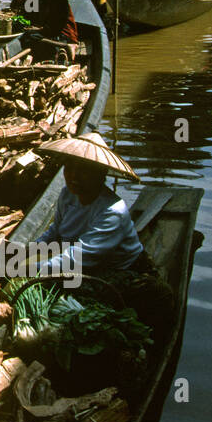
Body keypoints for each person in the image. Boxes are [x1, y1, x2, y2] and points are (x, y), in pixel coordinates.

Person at [32, 132, 174, 337]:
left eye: (84, 170)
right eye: (70, 167)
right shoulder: (67, 195)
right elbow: (55, 232)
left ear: (101, 175)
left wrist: (29, 271)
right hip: (83, 261)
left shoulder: (112, 211)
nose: (73, 176)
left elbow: (77, 258)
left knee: (78, 296)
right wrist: (26, 251)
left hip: (119, 270)